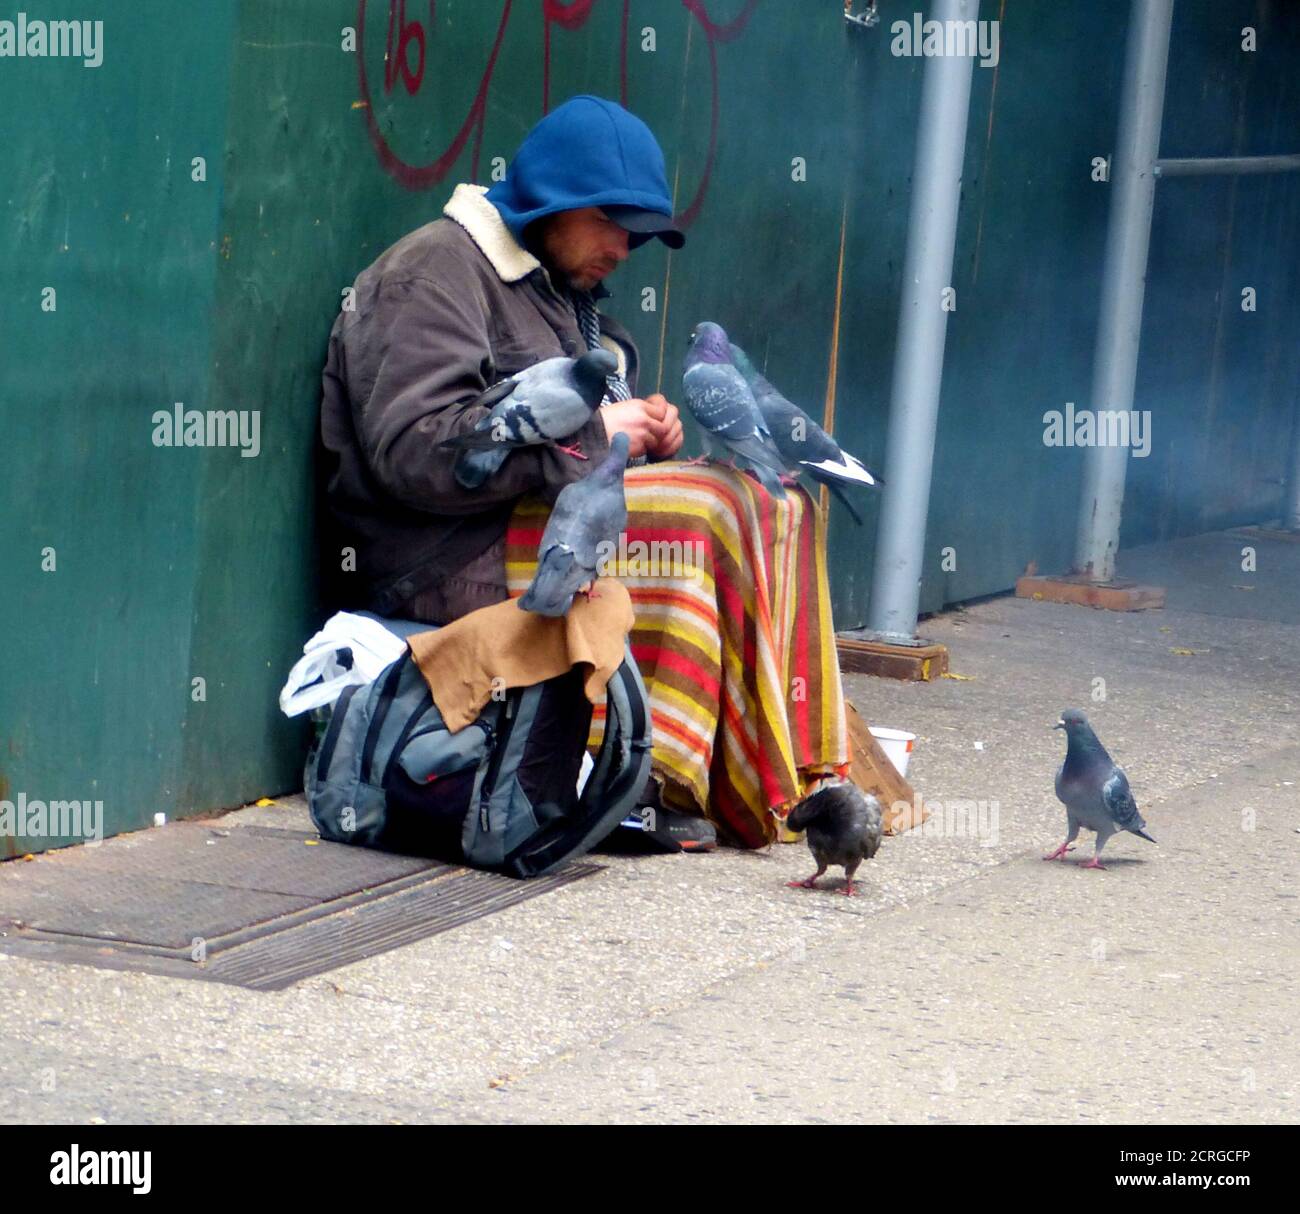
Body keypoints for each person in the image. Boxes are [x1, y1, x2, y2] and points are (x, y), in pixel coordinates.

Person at [320, 96, 849, 850]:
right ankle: (649, 780)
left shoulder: (562, 288)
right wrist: (597, 435)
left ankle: (785, 773)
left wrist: (647, 440)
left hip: (529, 526)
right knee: (702, 517)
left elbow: (589, 438)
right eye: (611, 221)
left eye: (636, 233)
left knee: (775, 499)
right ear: (551, 200)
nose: (624, 248)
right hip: (442, 555)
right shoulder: (434, 272)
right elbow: (414, 453)